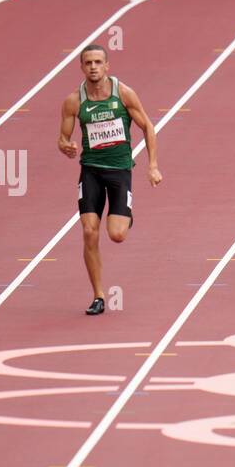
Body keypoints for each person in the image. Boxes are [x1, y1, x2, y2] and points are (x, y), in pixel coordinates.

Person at [58, 44, 162, 315]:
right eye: (88, 62)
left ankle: (125, 214)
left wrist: (152, 165)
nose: (93, 67)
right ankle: (99, 295)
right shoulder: (74, 101)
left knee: (116, 235)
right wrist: (65, 146)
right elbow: (62, 137)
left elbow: (148, 127)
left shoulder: (123, 94)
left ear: (107, 66)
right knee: (89, 231)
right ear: (82, 67)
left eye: (98, 62)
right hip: (90, 170)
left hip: (119, 171)